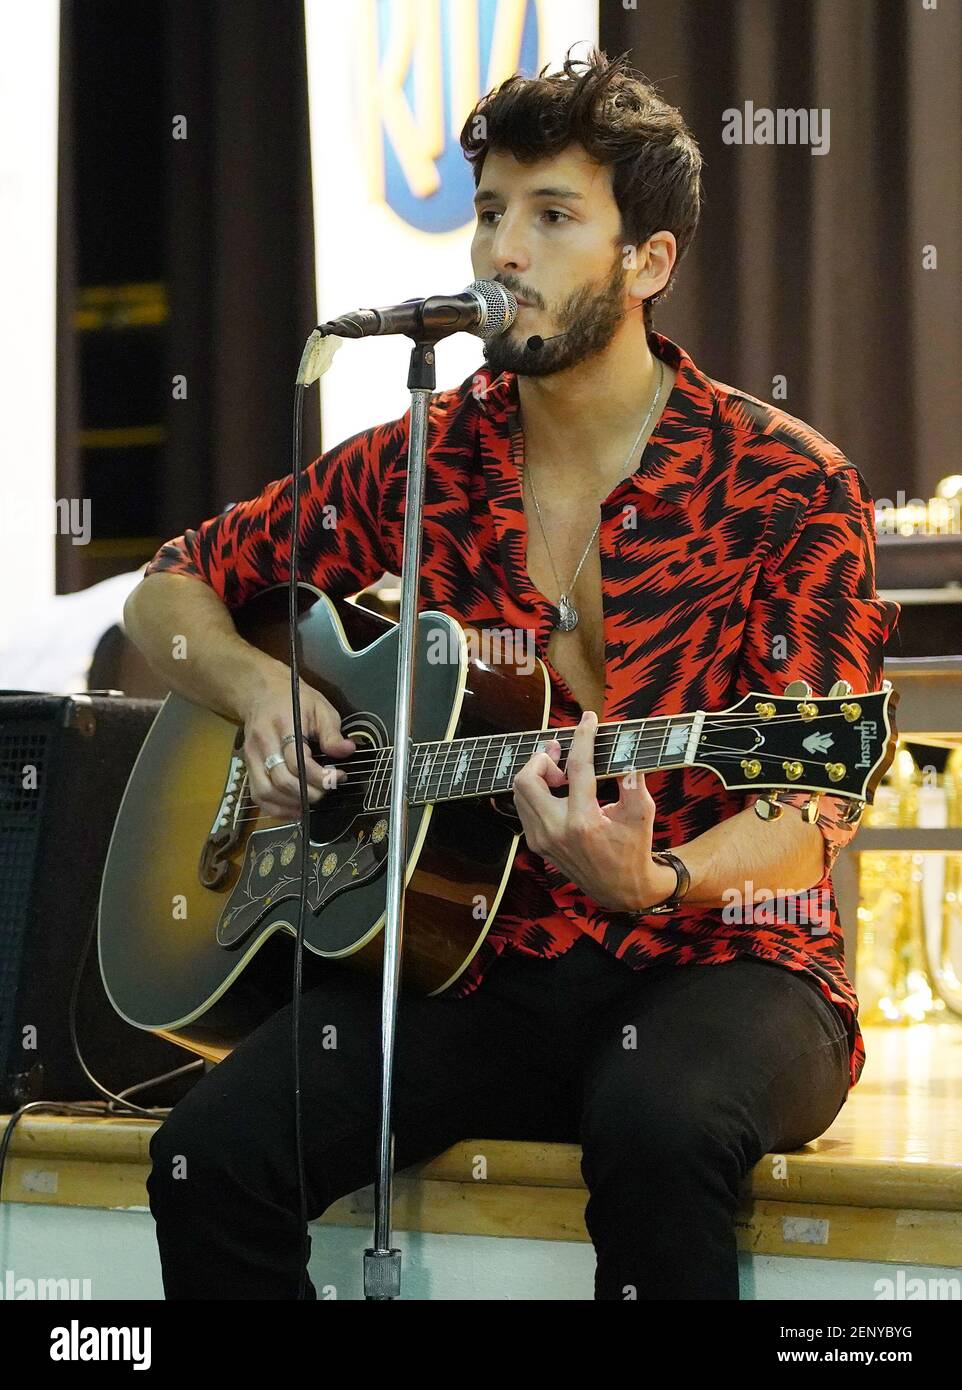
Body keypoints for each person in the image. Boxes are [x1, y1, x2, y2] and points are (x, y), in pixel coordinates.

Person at [127, 48, 899, 1300]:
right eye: (490, 212)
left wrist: (657, 876)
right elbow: (166, 590)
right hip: (472, 959)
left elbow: (808, 808)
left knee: (654, 1131)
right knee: (204, 1157)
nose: (500, 252)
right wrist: (257, 690)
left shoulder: (784, 482)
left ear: (648, 260)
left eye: (551, 217)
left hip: (728, 962)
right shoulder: (428, 458)